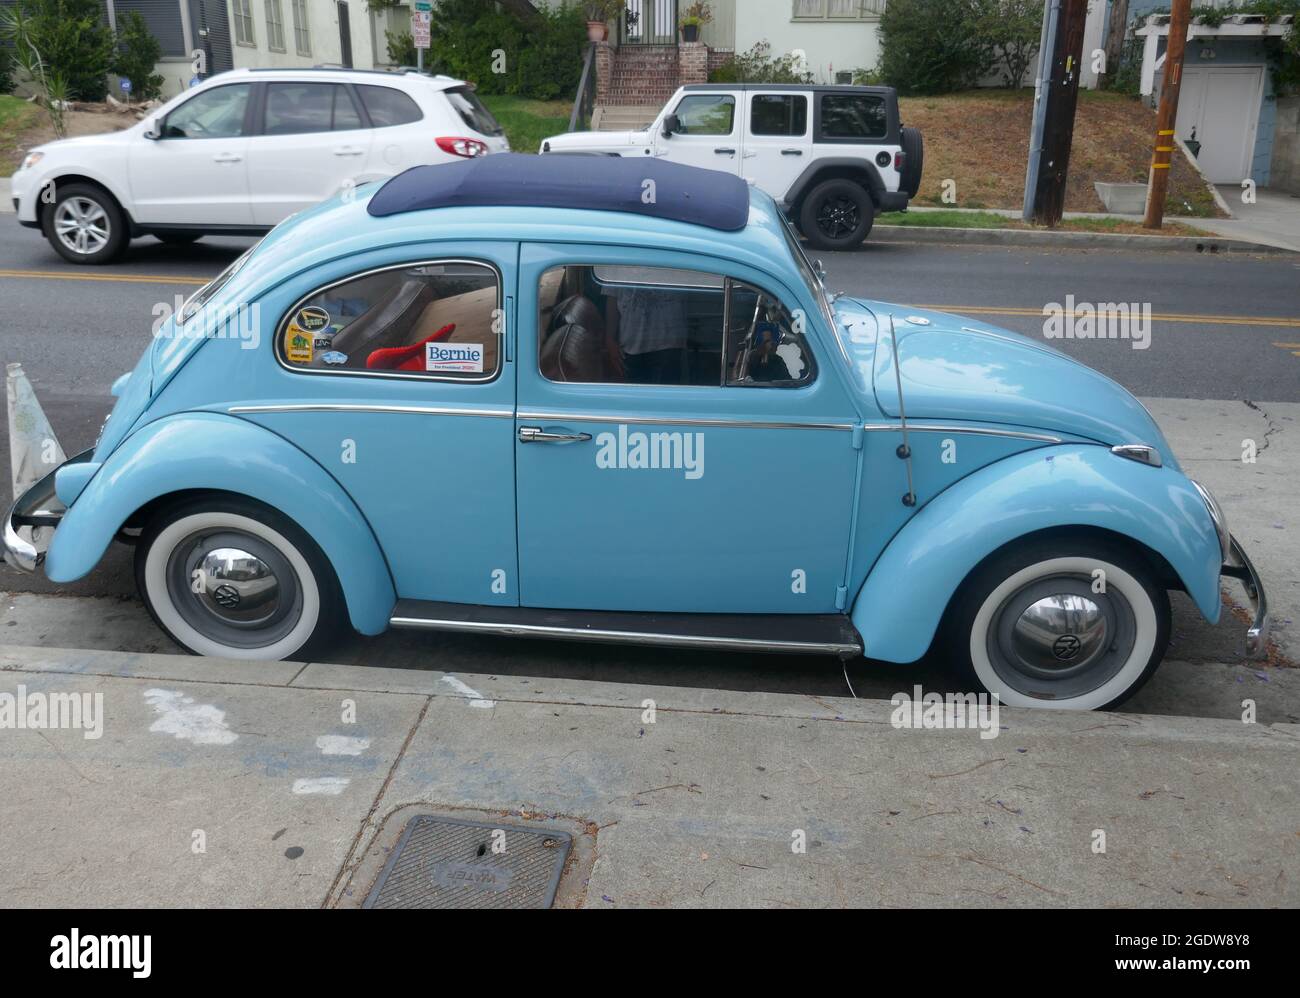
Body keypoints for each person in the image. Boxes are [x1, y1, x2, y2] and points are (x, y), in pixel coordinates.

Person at [607, 285, 689, 385]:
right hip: (631, 343)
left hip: (668, 341)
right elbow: (612, 297)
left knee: (665, 396)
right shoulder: (616, 269)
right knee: (634, 396)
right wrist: (610, 340)